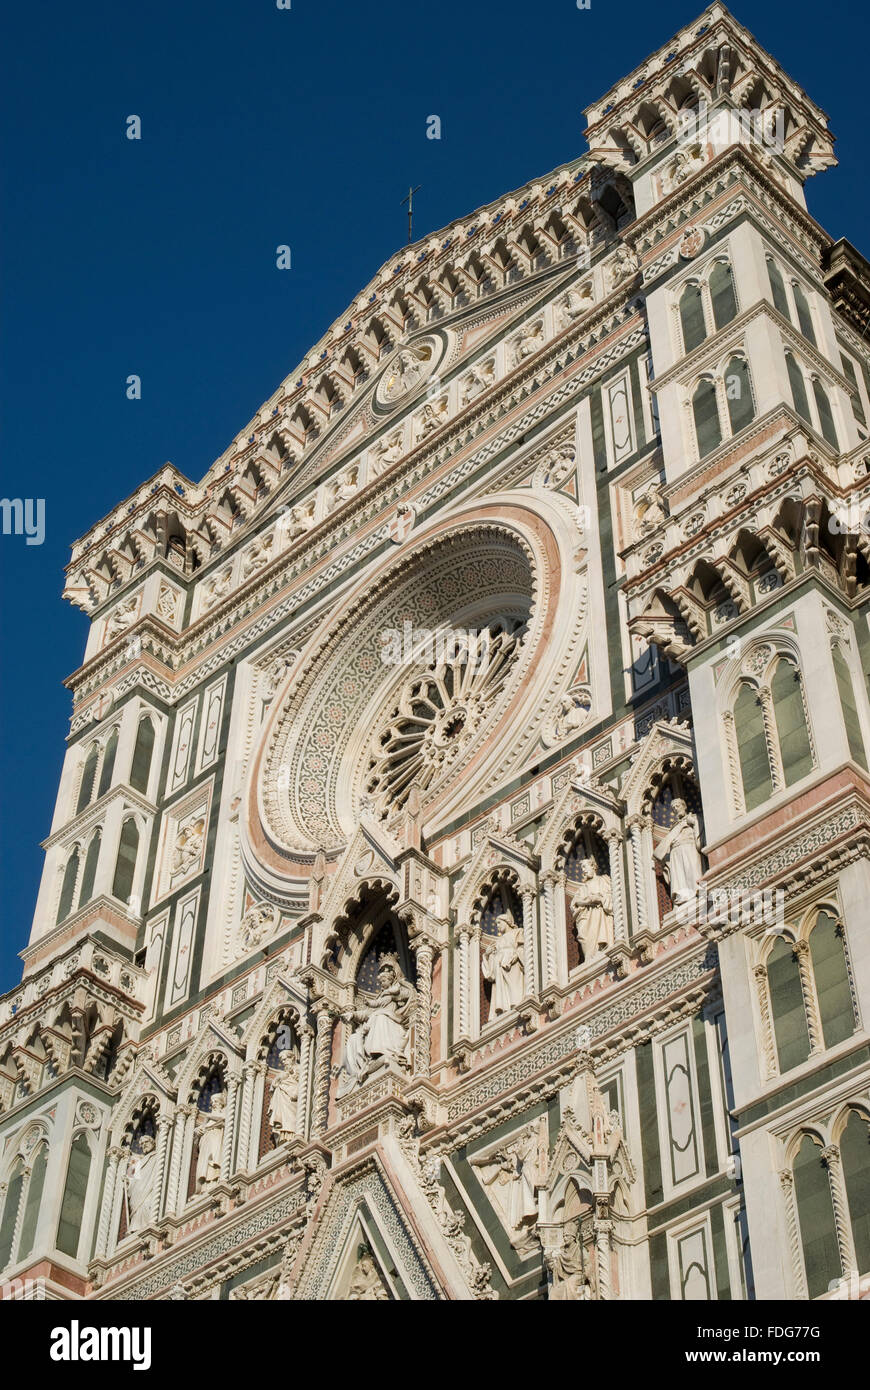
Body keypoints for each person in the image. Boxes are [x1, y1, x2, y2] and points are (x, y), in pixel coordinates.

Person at [481, 913, 525, 1016]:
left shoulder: (518, 932)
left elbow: (522, 947)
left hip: (511, 963)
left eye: (499, 923)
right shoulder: (498, 941)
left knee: (514, 986)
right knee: (502, 991)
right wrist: (487, 955)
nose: (497, 926)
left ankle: (517, 1004)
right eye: (496, 924)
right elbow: (492, 959)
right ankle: (505, 1008)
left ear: (507, 922)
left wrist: (515, 957)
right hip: (499, 967)